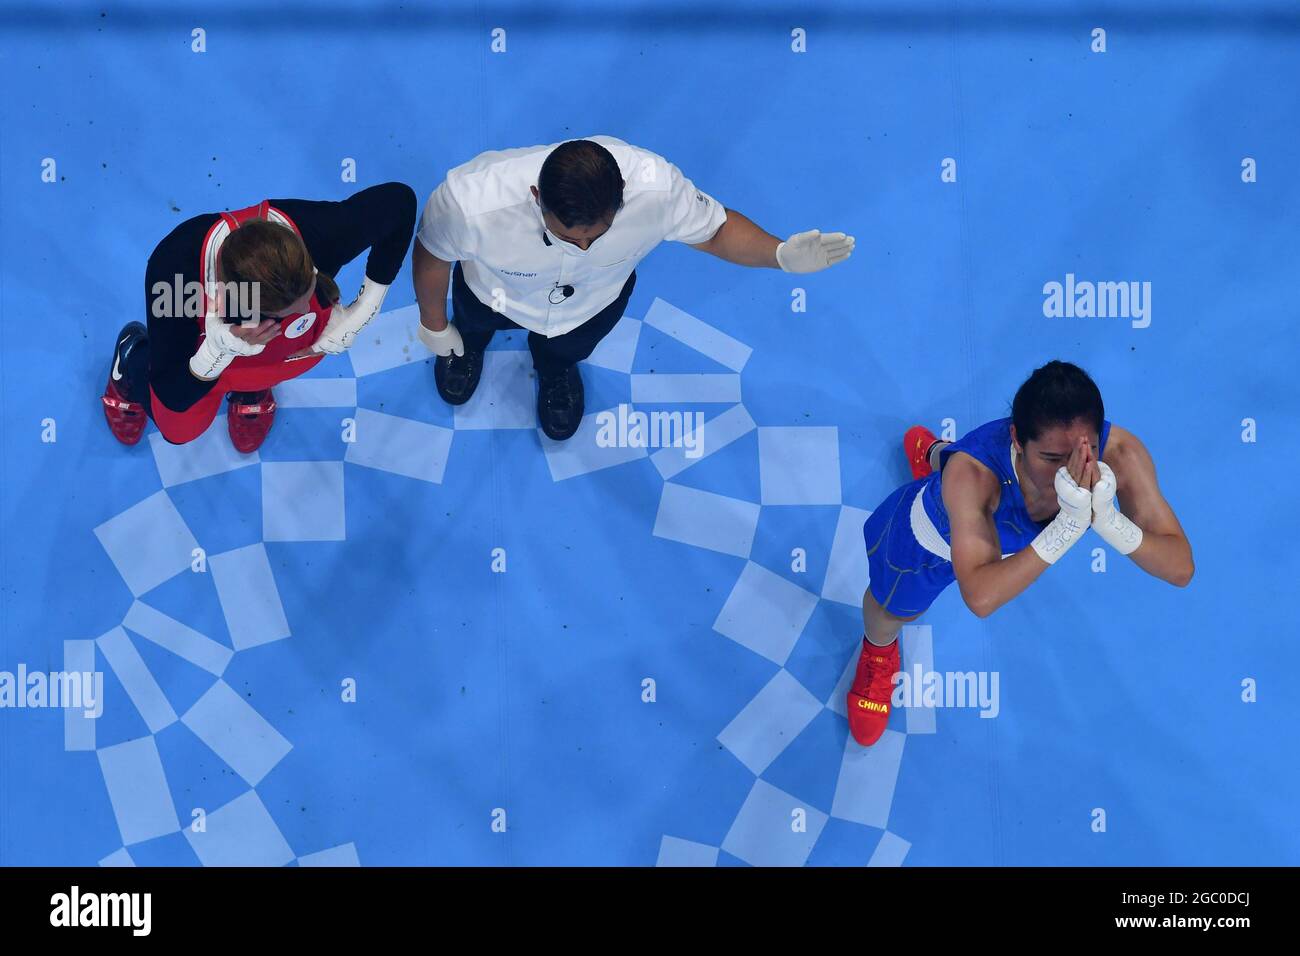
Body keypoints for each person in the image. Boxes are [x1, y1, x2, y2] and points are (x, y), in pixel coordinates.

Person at [412, 136, 854, 440]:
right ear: (535, 196)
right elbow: (432, 253)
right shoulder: (470, 202)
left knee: (568, 347)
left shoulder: (656, 189)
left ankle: (556, 370)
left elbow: (715, 230)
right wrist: (434, 324)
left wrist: (779, 254)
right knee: (469, 326)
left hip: (592, 303)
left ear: (621, 199)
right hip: (492, 292)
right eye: (569, 237)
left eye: (596, 235)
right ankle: (464, 349)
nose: (583, 247)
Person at [847, 360, 1195, 746]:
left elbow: (1180, 568)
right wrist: (1066, 529)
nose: (1071, 471)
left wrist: (1112, 522)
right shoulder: (974, 475)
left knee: (955, 461)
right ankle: (877, 653)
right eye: (1051, 459)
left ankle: (934, 453)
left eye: (1085, 452)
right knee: (889, 610)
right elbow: (979, 595)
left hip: (988, 515)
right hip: (933, 540)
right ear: (1016, 439)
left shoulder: (1122, 455)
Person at [101, 183, 416, 451]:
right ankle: (131, 361)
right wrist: (217, 352)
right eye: (286, 311)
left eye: (308, 291)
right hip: (200, 366)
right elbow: (174, 394)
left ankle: (251, 386)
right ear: (243, 301)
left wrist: (366, 308)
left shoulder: (321, 233)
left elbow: (400, 201)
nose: (306, 309)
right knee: (179, 432)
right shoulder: (177, 275)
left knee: (277, 358)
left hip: (278, 348)